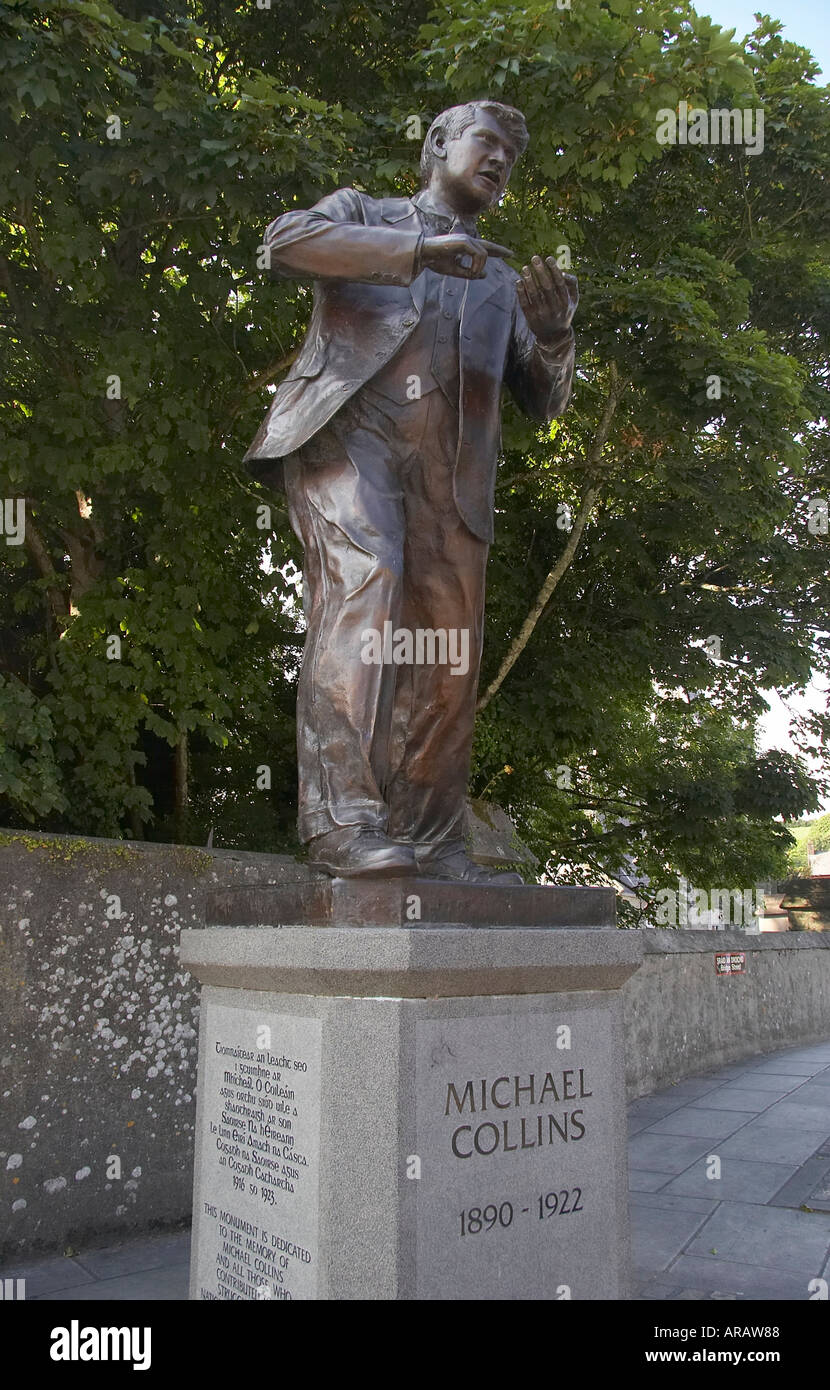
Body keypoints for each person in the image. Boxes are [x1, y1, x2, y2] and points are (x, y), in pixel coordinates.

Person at [245, 100, 578, 881]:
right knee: (369, 583)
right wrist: (418, 252)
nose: (499, 163)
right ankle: (343, 822)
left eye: (510, 158)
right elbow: (283, 246)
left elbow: (545, 400)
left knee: (449, 647)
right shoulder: (367, 214)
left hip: (450, 478)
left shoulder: (503, 276)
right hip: (349, 443)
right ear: (438, 144)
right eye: (486, 144)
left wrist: (557, 336)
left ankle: (428, 839)